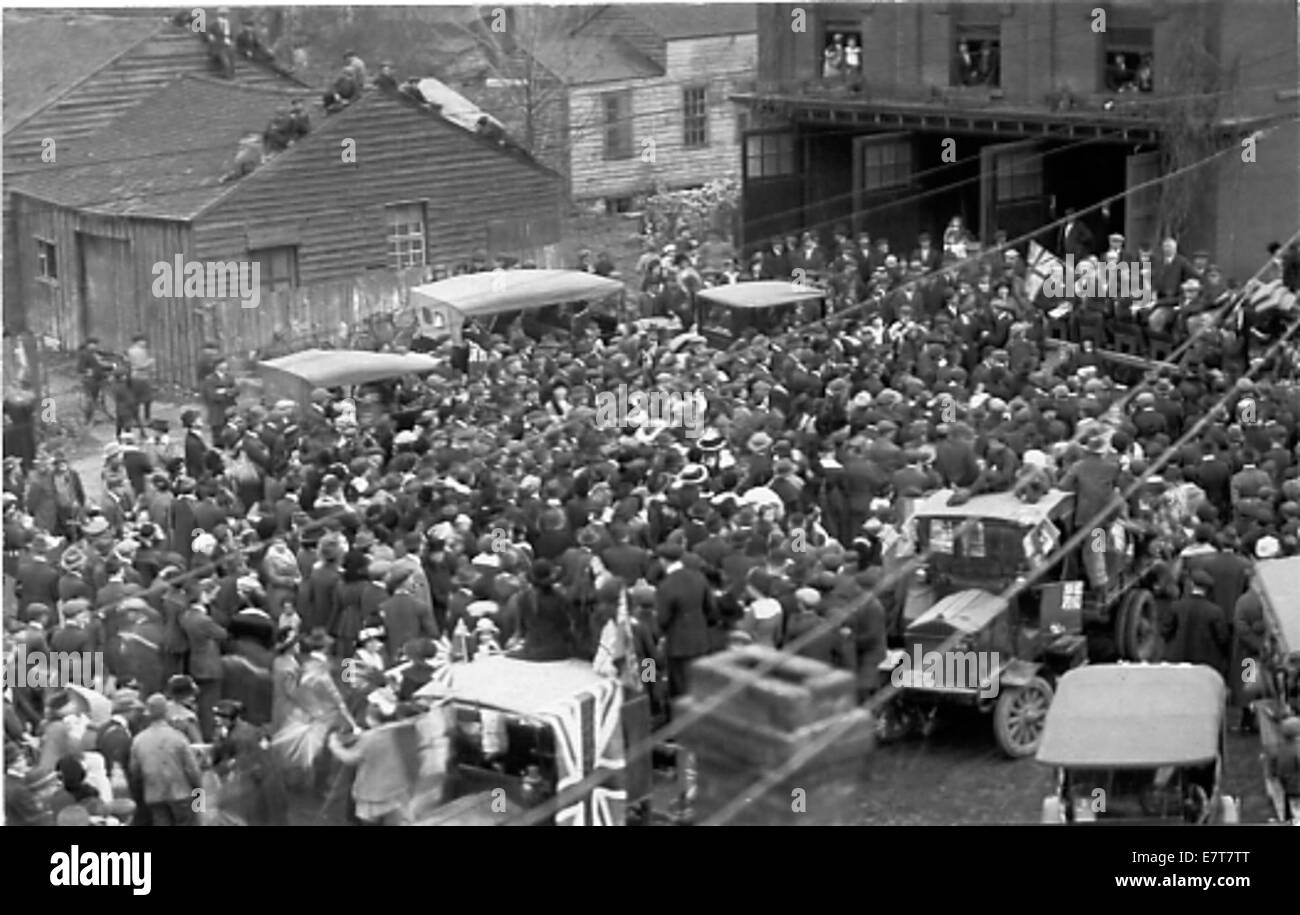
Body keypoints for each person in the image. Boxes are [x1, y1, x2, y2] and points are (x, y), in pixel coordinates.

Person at [129, 694, 204, 826]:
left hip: (154, 796)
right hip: (181, 794)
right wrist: (199, 790)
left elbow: (135, 772)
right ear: (166, 712)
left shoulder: (138, 740)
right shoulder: (178, 738)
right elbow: (192, 769)